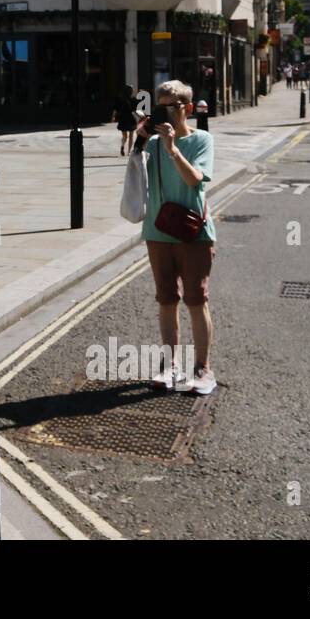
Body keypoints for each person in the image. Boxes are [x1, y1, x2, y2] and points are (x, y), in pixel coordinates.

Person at [135, 79, 217, 394]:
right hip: (157, 231)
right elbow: (134, 178)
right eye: (160, 106)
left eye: (170, 106)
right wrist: (140, 142)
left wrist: (172, 149)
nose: (164, 113)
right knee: (166, 300)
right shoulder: (152, 142)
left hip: (193, 232)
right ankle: (170, 366)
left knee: (196, 300)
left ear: (185, 108)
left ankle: (202, 369)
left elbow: (195, 180)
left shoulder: (202, 140)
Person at [111, 85, 139, 157]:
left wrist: (113, 117)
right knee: (131, 136)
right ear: (131, 91)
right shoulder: (133, 99)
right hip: (131, 119)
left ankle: (122, 146)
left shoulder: (120, 99)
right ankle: (129, 152)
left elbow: (115, 109)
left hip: (122, 118)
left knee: (124, 136)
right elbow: (135, 110)